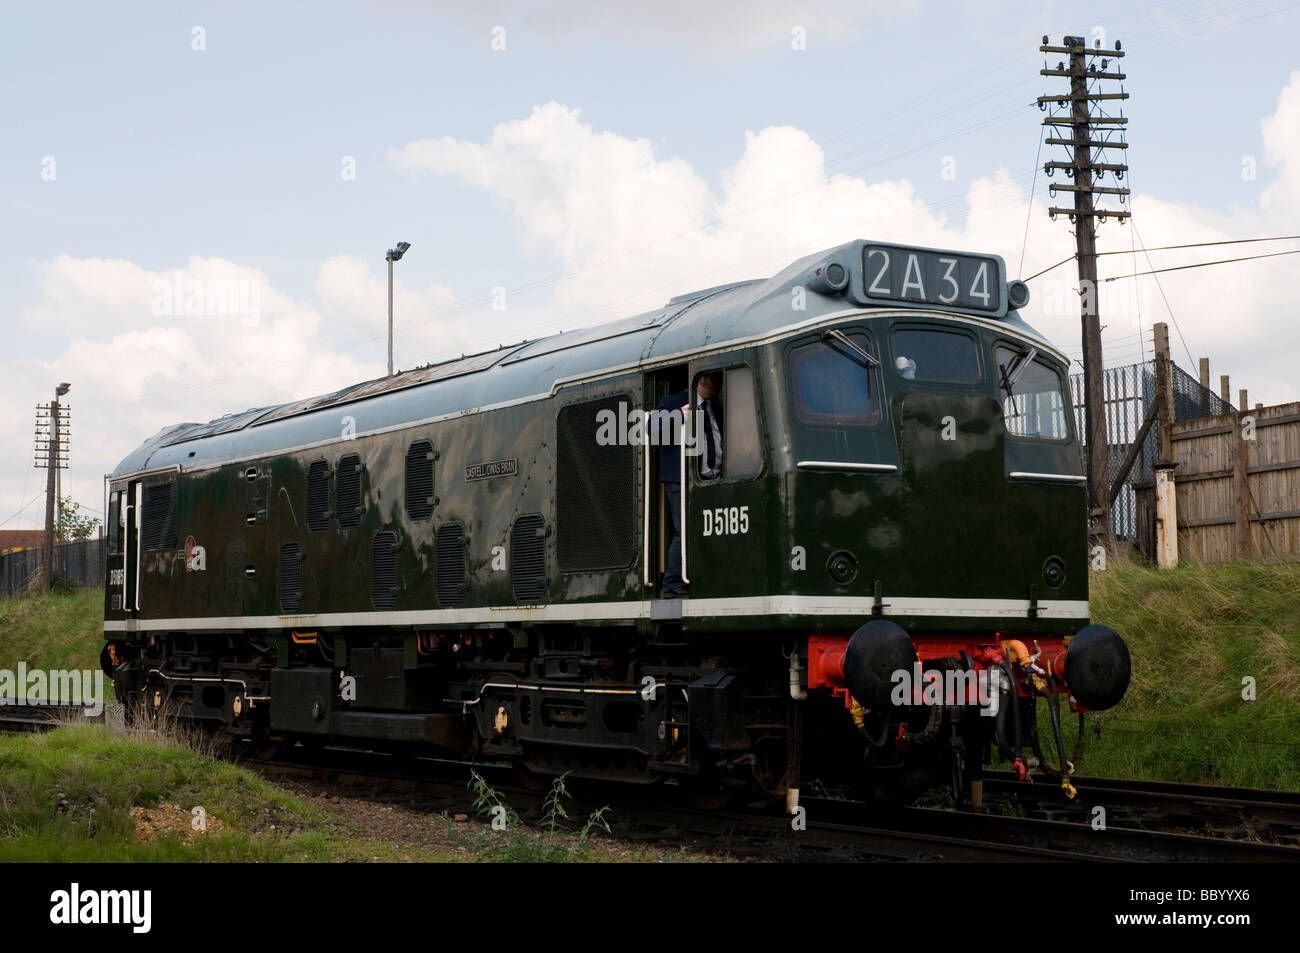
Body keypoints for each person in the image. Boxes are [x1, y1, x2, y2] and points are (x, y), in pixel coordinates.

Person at [656, 371, 723, 598]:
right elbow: (651, 429)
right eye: (717, 377)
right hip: (681, 479)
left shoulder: (717, 407)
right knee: (684, 530)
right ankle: (673, 584)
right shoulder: (673, 402)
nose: (721, 383)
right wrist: (678, 416)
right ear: (702, 379)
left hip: (710, 479)